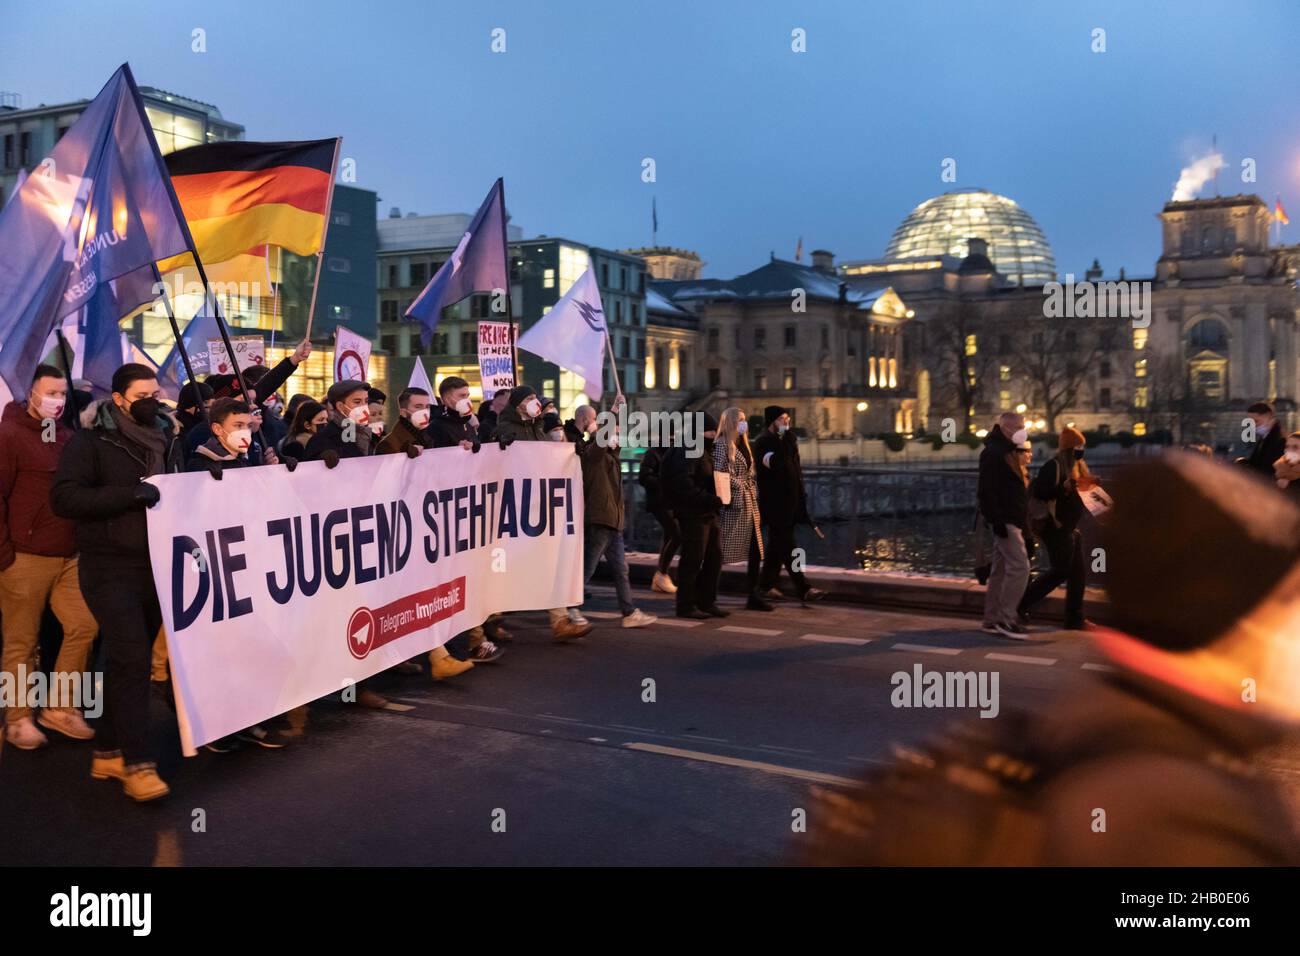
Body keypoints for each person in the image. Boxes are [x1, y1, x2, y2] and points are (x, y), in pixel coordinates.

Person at [50, 363, 186, 802]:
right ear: (120, 398)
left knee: (126, 661)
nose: (153, 401)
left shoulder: (168, 438)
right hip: (108, 567)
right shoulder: (90, 441)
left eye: (156, 394)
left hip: (155, 566)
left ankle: (107, 751)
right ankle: (137, 763)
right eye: (143, 394)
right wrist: (129, 494)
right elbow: (65, 498)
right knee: (131, 660)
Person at [0, 365, 99, 750]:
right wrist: (5, 554)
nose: (58, 400)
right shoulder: (8, 435)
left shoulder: (67, 436)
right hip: (24, 558)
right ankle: (17, 719)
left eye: (62, 393)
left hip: (69, 555)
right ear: (30, 394)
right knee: (20, 642)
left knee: (84, 625)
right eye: (51, 393)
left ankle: (59, 708)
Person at [495, 385, 591, 640]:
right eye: (529, 398)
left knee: (549, 563)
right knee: (507, 569)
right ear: (517, 405)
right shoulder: (505, 429)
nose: (534, 402)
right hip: (514, 510)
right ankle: (491, 620)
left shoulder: (537, 428)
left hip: (539, 507)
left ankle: (560, 620)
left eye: (535, 397)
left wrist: (569, 452)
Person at [571, 405, 656, 629]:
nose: (615, 434)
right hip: (600, 519)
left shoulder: (608, 454)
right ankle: (569, 607)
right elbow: (599, 445)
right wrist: (613, 414)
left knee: (621, 569)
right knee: (588, 567)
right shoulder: (591, 454)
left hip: (612, 519)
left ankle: (629, 612)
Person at [185, 339, 311, 458]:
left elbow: (269, 383)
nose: (253, 406)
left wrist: (294, 359)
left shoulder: (250, 428)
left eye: (254, 400)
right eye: (243, 401)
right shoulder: (205, 433)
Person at [751, 406, 826, 605]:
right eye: (782, 419)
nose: (786, 422)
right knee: (788, 547)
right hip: (775, 507)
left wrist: (801, 498)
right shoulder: (763, 443)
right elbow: (775, 464)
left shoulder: (788, 442)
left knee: (777, 548)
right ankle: (804, 588)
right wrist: (785, 443)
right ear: (771, 422)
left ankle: (765, 586)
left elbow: (795, 471)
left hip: (791, 505)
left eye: (787, 419)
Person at [1018, 426, 1089, 630]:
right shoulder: (1054, 466)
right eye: (1078, 446)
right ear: (1069, 449)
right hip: (1054, 527)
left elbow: (1080, 498)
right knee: (1061, 570)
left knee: (1078, 573)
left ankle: (1075, 619)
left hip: (1069, 528)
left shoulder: (1080, 467)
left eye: (1082, 446)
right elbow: (1041, 492)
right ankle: (1020, 603)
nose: (1081, 450)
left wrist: (1092, 488)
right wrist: (1063, 488)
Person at [664, 412, 724, 619]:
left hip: (707, 512)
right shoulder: (689, 450)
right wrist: (709, 497)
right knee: (693, 560)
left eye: (714, 432)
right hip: (692, 513)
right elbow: (684, 484)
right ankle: (686, 605)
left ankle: (706, 601)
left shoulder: (702, 450)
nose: (713, 435)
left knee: (714, 558)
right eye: (709, 431)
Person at [978, 411, 1031, 640]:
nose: (1024, 430)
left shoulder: (1004, 450)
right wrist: (997, 521)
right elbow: (987, 491)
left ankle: (991, 619)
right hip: (1006, 519)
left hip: (1010, 518)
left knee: (999, 572)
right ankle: (1007, 619)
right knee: (1021, 567)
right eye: (1020, 426)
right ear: (1008, 428)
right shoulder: (995, 453)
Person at [713, 407, 770, 611]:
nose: (744, 424)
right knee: (719, 552)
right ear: (730, 423)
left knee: (755, 551)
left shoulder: (744, 445)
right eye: (740, 420)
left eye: (745, 420)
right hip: (734, 506)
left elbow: (750, 473)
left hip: (749, 505)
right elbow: (720, 474)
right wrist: (742, 486)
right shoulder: (721, 445)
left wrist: (752, 489)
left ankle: (753, 594)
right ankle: (706, 592)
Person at [637, 442, 679, 594]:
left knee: (670, 535)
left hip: (671, 501)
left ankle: (661, 576)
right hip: (659, 501)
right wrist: (665, 483)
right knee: (676, 534)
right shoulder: (653, 453)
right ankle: (661, 574)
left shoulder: (674, 451)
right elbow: (644, 477)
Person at [304, 380, 375, 461]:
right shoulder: (321, 440)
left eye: (366, 401)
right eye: (357, 402)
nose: (364, 406)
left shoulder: (370, 436)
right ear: (340, 406)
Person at [376, 387, 434, 456]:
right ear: (403, 412)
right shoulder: (387, 444)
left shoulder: (432, 436)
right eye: (418, 407)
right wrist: (404, 451)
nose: (425, 412)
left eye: (427, 407)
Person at [1240, 401, 1285, 476]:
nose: (1253, 425)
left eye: (1256, 421)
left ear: (1268, 416)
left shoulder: (1281, 440)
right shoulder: (1265, 437)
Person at [1273, 431, 1300, 500]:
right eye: (1287, 446)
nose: (1289, 450)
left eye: (1295, 447)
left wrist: (1290, 485)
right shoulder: (1278, 468)